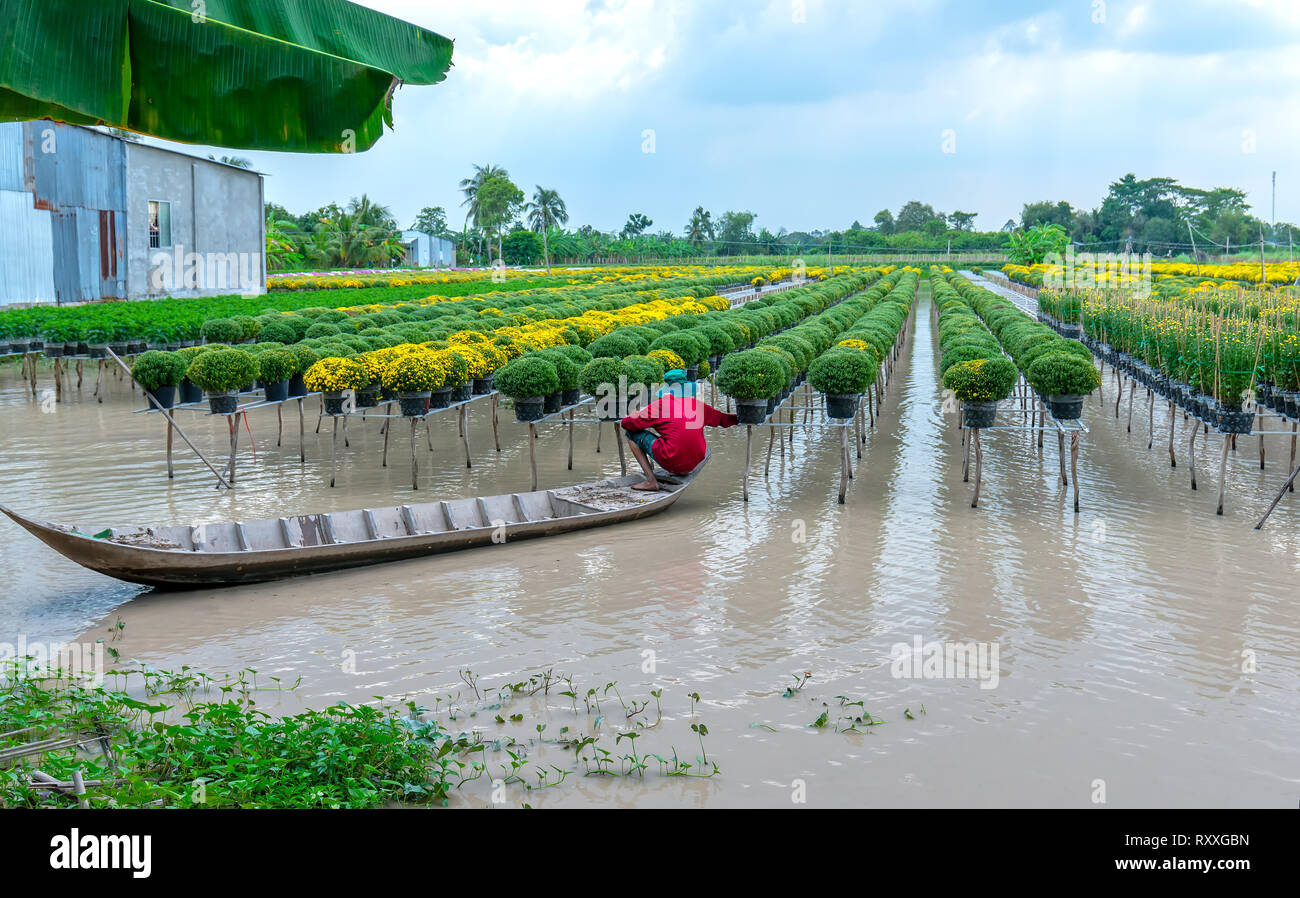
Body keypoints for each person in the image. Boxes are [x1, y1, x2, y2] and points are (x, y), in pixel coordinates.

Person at [621, 370, 737, 491]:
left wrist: (634, 413)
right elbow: (723, 419)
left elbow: (627, 424)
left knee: (631, 434)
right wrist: (739, 418)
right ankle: (681, 470)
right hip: (695, 461)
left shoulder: (660, 405)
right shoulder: (698, 405)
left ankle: (650, 481)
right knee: (676, 436)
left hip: (672, 458)